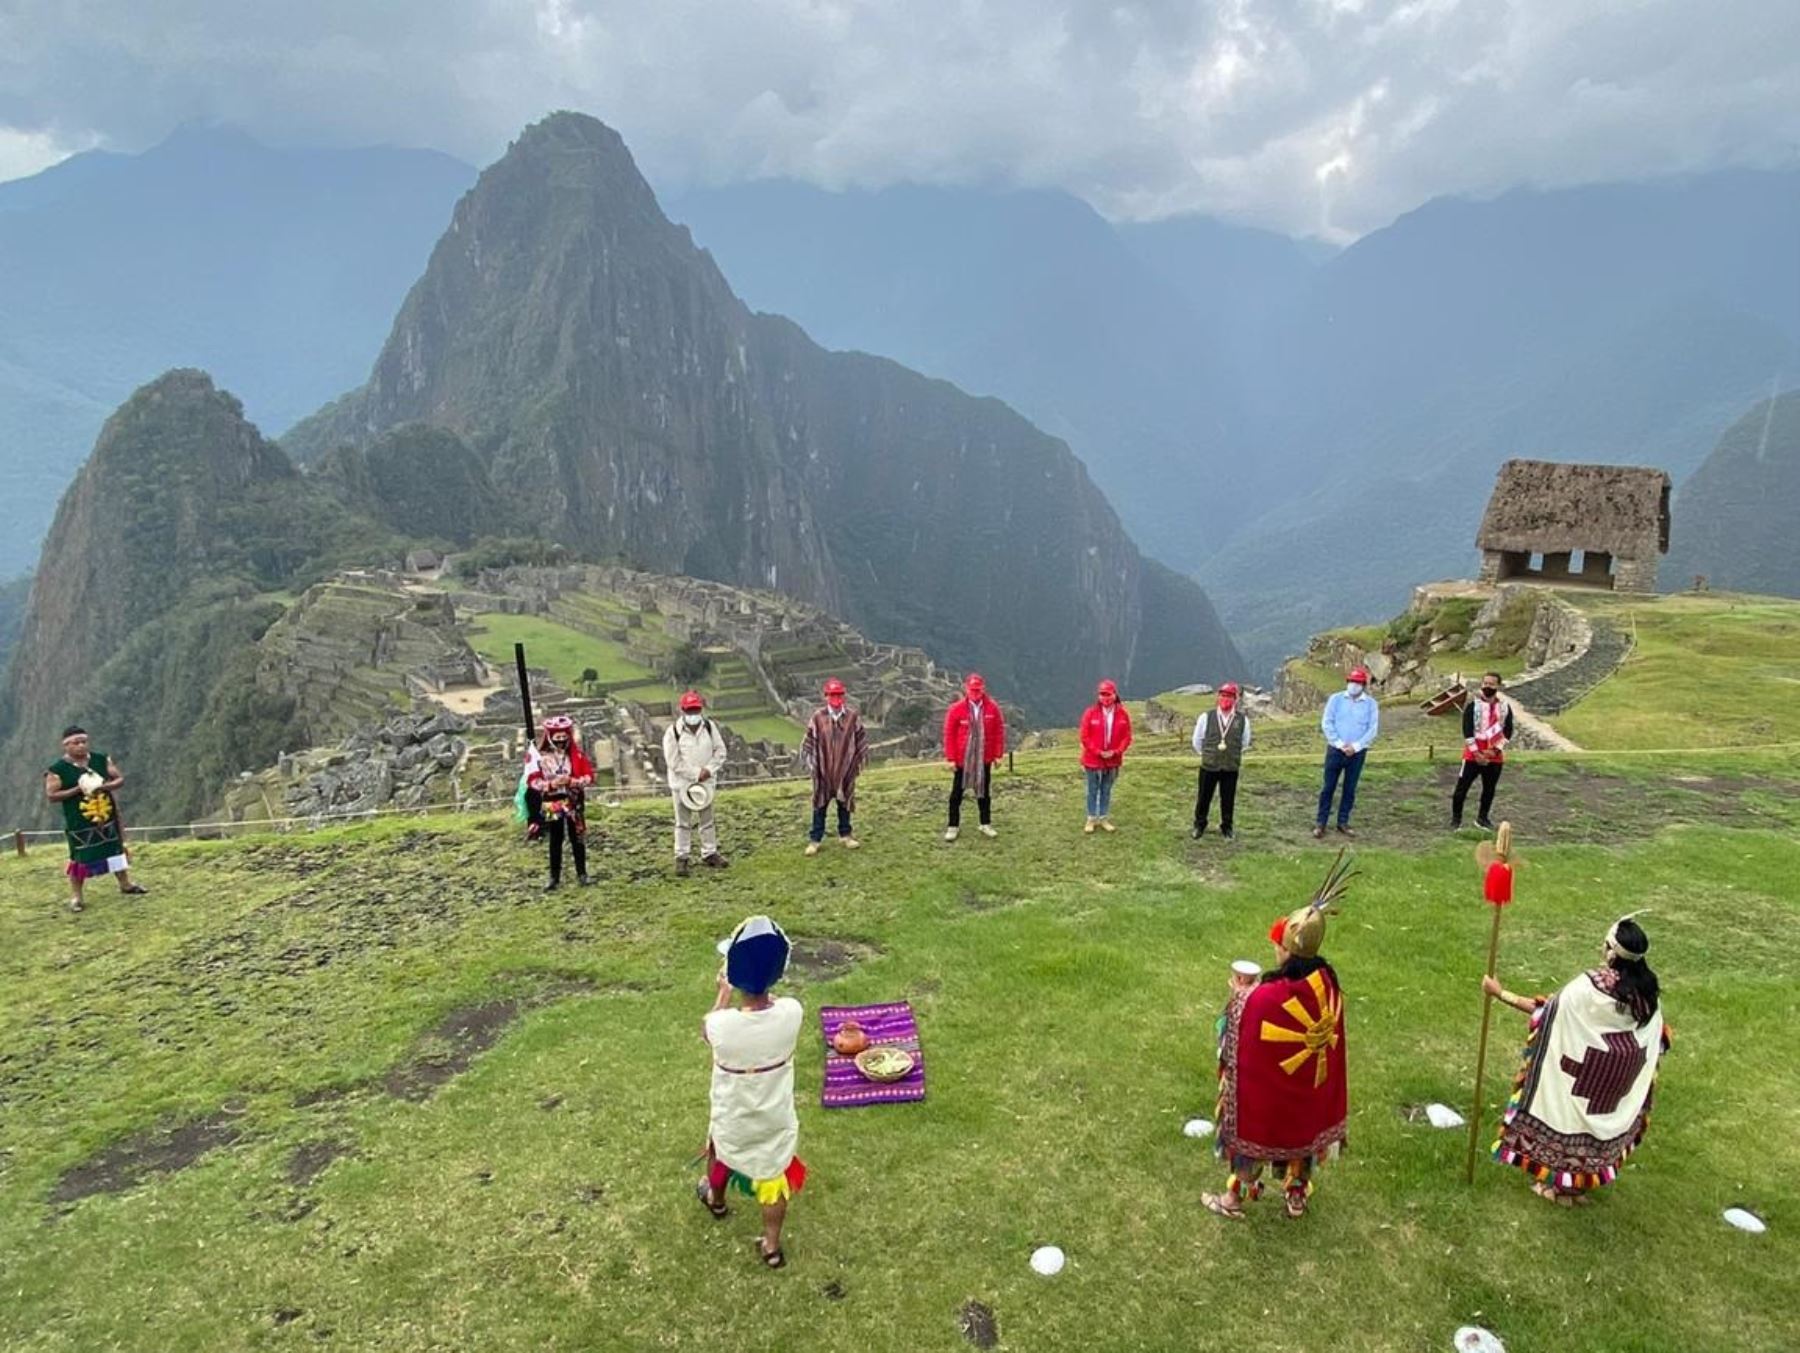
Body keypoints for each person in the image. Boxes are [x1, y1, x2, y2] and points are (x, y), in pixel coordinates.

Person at [1203, 854, 1354, 1221]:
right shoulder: (1326, 983)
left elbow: (1243, 1020)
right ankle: (1296, 1196)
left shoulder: (1269, 996)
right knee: (1300, 1136)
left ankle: (1233, 1198)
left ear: (1287, 948)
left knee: (1255, 1127)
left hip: (1272, 1094)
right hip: (1306, 1090)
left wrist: (1238, 993)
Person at [1483, 915, 1669, 1207]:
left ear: (1610, 951)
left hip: (1586, 1074)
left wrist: (1500, 993)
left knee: (1571, 1117)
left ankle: (1563, 1189)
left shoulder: (1588, 988)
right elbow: (1656, 1034)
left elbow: (1546, 1012)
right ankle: (1577, 1187)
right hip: (1617, 1079)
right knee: (1594, 1120)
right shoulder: (1648, 993)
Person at [697, 915, 806, 1270]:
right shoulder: (792, 1012)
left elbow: (706, 1029)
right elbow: (770, 1005)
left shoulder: (721, 1025)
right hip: (774, 1119)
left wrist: (723, 993)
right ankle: (771, 1247)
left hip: (732, 1116)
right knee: (773, 1179)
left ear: (735, 975)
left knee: (719, 1150)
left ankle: (716, 1200)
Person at [44, 726, 148, 913]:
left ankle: (125, 884)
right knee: (80, 857)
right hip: (79, 820)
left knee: (115, 849)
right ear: (66, 745)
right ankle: (77, 896)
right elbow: (52, 795)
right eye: (76, 743)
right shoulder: (57, 770)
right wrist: (78, 789)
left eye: (84, 741)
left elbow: (119, 779)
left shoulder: (100, 759)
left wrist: (104, 787)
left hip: (106, 815)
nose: (81, 746)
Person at [800, 677, 869, 855]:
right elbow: (809, 741)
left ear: (843, 696)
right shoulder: (818, 717)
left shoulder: (852, 717)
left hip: (845, 771)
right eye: (832, 695)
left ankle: (845, 835)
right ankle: (815, 839)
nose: (836, 699)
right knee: (819, 805)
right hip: (822, 771)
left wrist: (855, 763)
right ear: (826, 696)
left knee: (844, 802)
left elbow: (860, 739)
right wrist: (813, 765)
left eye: (838, 695)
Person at [664, 690, 729, 877]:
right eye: (689, 711)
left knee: (707, 820)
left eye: (695, 710)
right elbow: (673, 761)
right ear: (682, 711)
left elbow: (720, 751)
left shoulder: (709, 727)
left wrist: (709, 769)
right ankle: (682, 857)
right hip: (682, 784)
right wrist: (695, 773)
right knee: (682, 822)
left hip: (706, 783)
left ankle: (710, 853)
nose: (693, 715)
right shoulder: (673, 732)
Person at [526, 714, 593, 891]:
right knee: (555, 839)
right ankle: (554, 877)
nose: (562, 742)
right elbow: (532, 781)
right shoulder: (541, 758)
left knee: (577, 837)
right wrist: (550, 784)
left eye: (564, 738)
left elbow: (589, 776)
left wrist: (574, 781)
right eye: (558, 739)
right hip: (553, 801)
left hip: (574, 800)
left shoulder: (576, 756)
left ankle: (582, 874)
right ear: (550, 738)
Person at [1313, 666, 1379, 839]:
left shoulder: (1371, 704)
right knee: (1328, 787)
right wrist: (1340, 744)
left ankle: (1343, 821)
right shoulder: (1335, 699)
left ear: (1363, 685)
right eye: (1351, 682)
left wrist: (1356, 747)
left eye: (1357, 683)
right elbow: (1327, 723)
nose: (1354, 685)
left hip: (1357, 753)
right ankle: (1321, 822)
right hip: (1335, 750)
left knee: (1350, 788)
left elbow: (1372, 729)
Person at [943, 673, 1006, 841]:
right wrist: (950, 758)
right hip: (962, 759)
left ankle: (985, 823)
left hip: (983, 758)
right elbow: (949, 735)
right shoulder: (956, 709)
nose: (975, 693)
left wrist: (998, 755)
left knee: (984, 792)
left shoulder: (992, 708)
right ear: (966, 689)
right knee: (956, 793)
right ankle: (953, 825)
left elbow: (999, 732)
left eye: (978, 690)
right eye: (972, 690)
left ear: (983, 689)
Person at [1451, 672, 1514, 831]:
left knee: (1489, 789)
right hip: (1473, 754)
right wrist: (1477, 753)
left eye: (1491, 684)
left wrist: (1495, 750)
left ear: (1498, 686)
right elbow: (1467, 730)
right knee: (1462, 788)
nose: (1487, 686)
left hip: (1494, 755)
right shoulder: (1473, 706)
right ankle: (1456, 820)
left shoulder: (1505, 707)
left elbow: (1508, 731)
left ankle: (1482, 818)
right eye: (1485, 683)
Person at [1193, 681, 1251, 840]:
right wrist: (1207, 755)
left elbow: (1244, 743)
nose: (1226, 699)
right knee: (1204, 797)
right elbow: (1197, 741)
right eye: (1223, 695)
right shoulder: (1206, 717)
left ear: (1236, 699)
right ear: (1218, 697)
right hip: (1209, 766)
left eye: (1229, 696)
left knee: (1228, 798)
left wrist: (1231, 754)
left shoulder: (1243, 721)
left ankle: (1227, 826)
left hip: (1230, 767)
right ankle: (1199, 824)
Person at [1077, 679, 1133, 833]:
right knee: (1092, 789)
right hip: (1092, 760)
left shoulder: (1122, 714)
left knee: (1106, 789)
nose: (1105, 698)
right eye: (1102, 694)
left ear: (1115, 695)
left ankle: (1103, 817)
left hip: (1113, 760)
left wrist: (1116, 752)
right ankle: (1091, 818)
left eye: (1108, 694)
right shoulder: (1091, 713)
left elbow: (1127, 737)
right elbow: (1085, 736)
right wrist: (1098, 752)